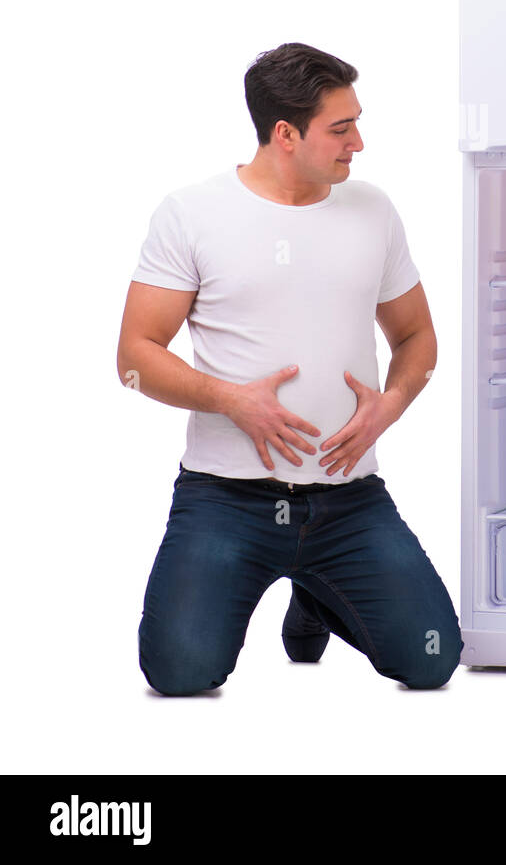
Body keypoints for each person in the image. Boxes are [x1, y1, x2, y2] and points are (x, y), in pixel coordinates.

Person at [118, 41, 463, 694]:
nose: (357, 142)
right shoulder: (192, 213)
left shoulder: (372, 210)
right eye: (340, 128)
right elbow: (135, 355)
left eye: (356, 123)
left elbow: (416, 334)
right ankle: (309, 583)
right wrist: (230, 400)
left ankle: (316, 594)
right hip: (226, 498)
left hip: (348, 501)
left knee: (432, 659)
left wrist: (391, 404)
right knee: (181, 674)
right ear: (284, 133)